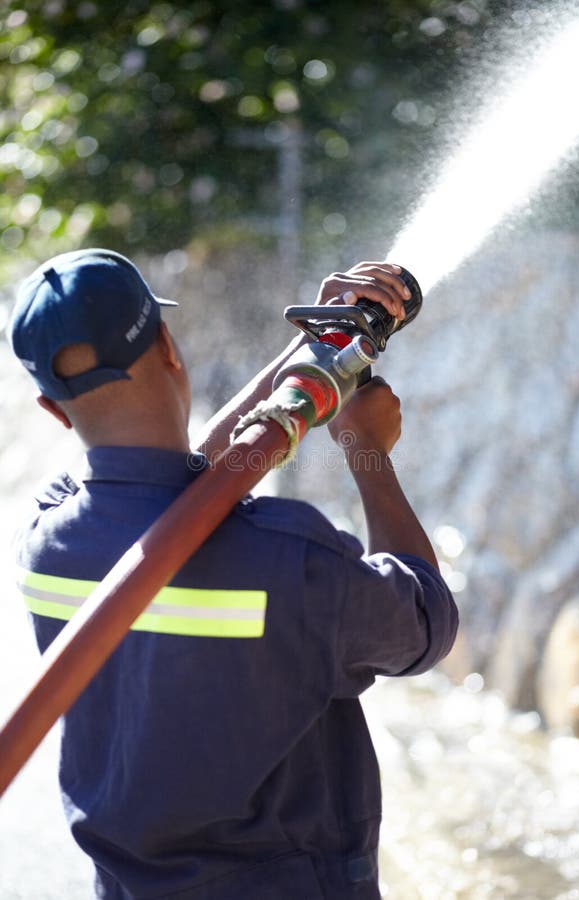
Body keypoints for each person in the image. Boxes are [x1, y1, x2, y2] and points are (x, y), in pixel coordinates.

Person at [9, 248, 457, 900]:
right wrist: (365, 449)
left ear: (52, 409)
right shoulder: (291, 562)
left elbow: (170, 491)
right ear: (170, 346)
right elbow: (426, 620)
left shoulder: (46, 544)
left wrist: (311, 355)